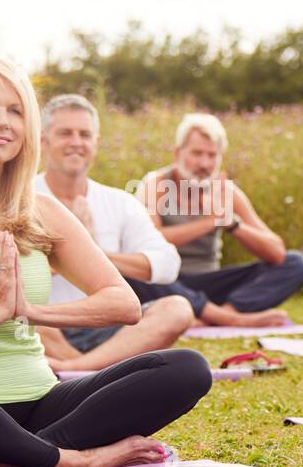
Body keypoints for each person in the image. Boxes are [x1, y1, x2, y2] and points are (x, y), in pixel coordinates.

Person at [0, 53, 210, 467]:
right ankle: (74, 460)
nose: (2, 121)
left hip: (38, 399)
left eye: (15, 110)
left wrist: (27, 309)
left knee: (186, 369)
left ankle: (19, 459)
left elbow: (124, 303)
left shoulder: (39, 209)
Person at [32, 94, 193, 371]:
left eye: (84, 134)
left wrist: (90, 251)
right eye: (65, 133)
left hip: (106, 329)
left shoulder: (119, 202)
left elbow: (167, 264)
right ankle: (93, 369)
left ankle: (75, 368)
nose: (76, 142)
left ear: (96, 143)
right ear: (43, 141)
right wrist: (61, 255)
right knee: (21, 319)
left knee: (177, 309)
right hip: (45, 325)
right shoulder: (21, 198)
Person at [131, 113, 303, 327]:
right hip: (167, 282)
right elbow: (148, 241)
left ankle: (218, 315)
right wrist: (210, 222)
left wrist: (231, 223)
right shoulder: (156, 184)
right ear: (178, 153)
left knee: (296, 264)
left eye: (212, 155)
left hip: (210, 283)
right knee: (130, 269)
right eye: (197, 153)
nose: (204, 163)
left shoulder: (227, 192)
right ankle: (228, 319)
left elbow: (277, 252)